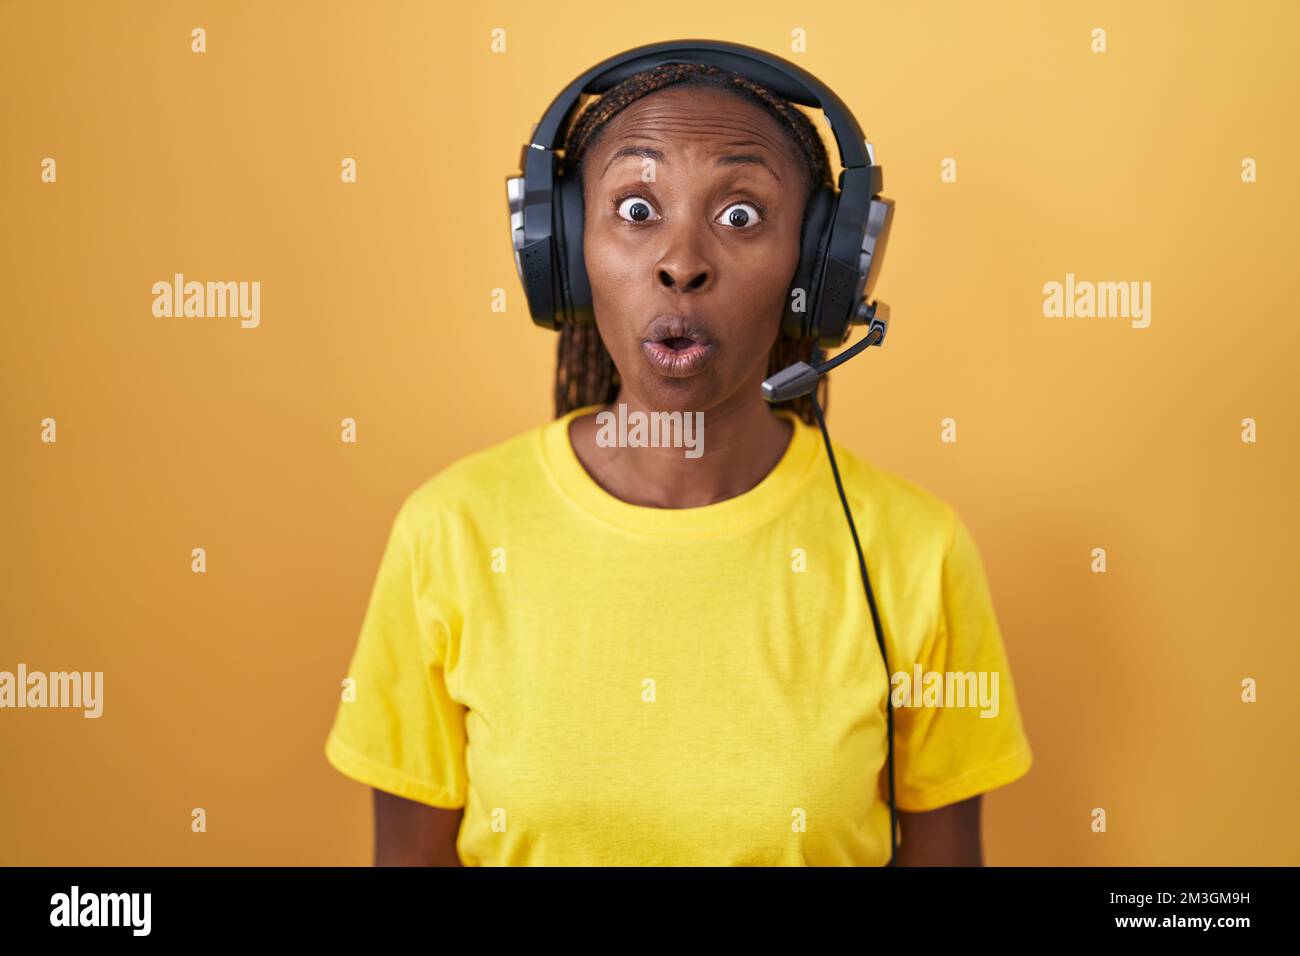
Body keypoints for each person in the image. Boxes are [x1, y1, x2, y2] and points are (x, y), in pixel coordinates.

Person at [324, 61, 1033, 866]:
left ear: (818, 272)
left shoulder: (918, 552)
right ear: (564, 251)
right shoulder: (448, 532)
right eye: (635, 209)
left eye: (739, 214)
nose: (681, 261)